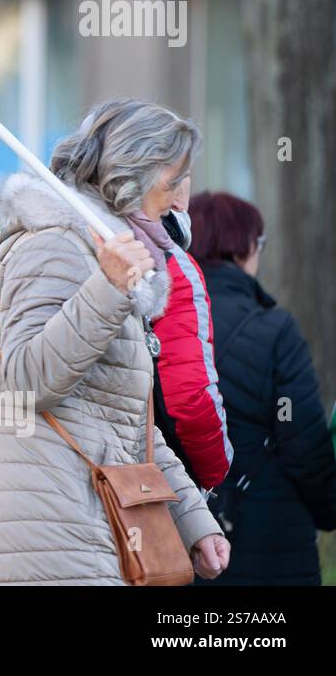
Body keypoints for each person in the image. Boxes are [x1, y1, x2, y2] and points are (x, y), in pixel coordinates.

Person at [0, 99, 228, 585]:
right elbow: (28, 381)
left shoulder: (109, 254)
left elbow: (128, 422)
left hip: (84, 525)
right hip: (40, 535)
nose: (183, 201)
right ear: (131, 177)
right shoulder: (55, 242)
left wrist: (195, 522)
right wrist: (108, 289)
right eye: (174, 181)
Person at [189, 192, 336, 585]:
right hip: (269, 543)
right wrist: (329, 508)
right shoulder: (275, 330)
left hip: (181, 539)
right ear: (242, 246)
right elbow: (304, 444)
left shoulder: (156, 321)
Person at [141, 178, 232, 490]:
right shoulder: (170, 264)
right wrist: (214, 475)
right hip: (138, 486)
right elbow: (190, 399)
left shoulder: (42, 239)